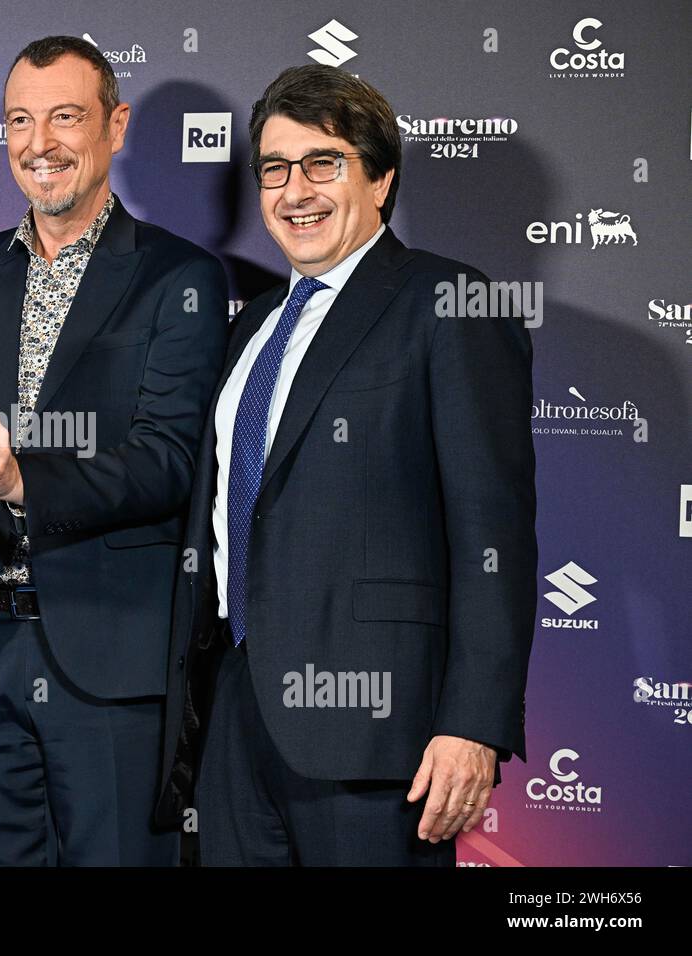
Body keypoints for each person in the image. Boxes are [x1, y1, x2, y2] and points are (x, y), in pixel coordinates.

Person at [156, 64, 536, 866]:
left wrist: (473, 723)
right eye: (273, 169)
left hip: (379, 733)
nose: (295, 191)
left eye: (323, 163)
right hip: (235, 712)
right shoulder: (253, 324)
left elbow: (491, 532)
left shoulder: (449, 303)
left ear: (381, 178)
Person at [0, 35, 227, 866]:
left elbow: (170, 461)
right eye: (21, 121)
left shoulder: (181, 277)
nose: (40, 144)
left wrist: (26, 475)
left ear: (116, 126)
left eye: (66, 117)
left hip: (108, 661)